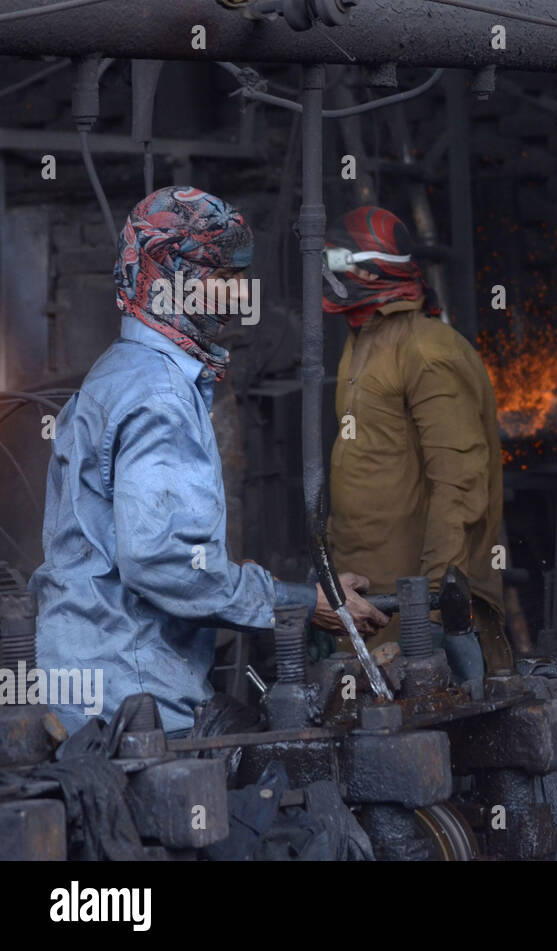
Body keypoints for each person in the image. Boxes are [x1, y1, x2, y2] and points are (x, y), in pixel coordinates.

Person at [29, 186, 386, 736]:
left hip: (88, 689)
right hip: (131, 700)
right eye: (223, 279)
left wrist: (303, 594)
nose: (242, 295)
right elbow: (163, 563)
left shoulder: (119, 371)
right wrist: (295, 603)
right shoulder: (159, 397)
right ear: (170, 283)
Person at [322, 206, 513, 673]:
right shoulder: (363, 341)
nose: (324, 271)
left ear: (368, 270)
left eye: (335, 260)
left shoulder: (427, 351)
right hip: (368, 605)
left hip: (414, 616)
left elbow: (459, 485)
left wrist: (430, 610)